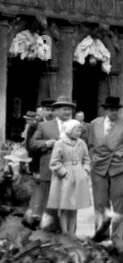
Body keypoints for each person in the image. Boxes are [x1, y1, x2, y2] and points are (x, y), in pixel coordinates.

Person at [86, 95, 123, 243]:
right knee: (100, 203)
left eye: (116, 110)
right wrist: (92, 159)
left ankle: (118, 237)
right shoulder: (94, 124)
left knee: (120, 203)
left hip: (119, 167)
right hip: (99, 167)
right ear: (105, 110)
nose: (113, 113)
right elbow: (90, 144)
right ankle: (101, 235)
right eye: (110, 110)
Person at [46, 118, 93, 235]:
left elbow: (87, 159)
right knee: (65, 207)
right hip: (65, 178)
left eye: (80, 130)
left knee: (74, 207)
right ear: (69, 130)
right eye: (77, 130)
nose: (79, 132)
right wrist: (64, 173)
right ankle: (65, 232)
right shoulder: (60, 143)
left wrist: (86, 170)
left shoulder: (81, 143)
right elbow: (54, 162)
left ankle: (72, 234)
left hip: (79, 176)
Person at [23, 98, 56, 228]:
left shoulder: (55, 125)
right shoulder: (34, 125)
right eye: (47, 110)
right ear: (41, 110)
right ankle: (33, 220)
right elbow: (30, 148)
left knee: (49, 194)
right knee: (38, 194)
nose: (49, 113)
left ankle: (46, 220)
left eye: (52, 110)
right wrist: (34, 168)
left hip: (52, 164)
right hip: (39, 163)